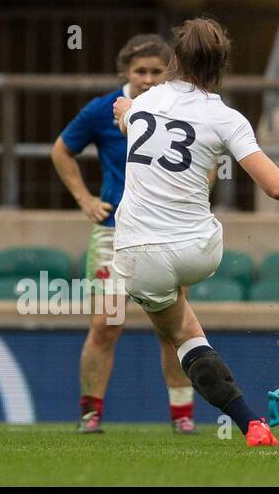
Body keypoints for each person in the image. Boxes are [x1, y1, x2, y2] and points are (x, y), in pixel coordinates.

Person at [112, 17, 279, 447]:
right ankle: (253, 423)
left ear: (174, 61)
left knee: (183, 337)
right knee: (190, 324)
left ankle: (250, 421)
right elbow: (277, 186)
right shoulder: (225, 117)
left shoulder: (143, 103)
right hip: (201, 249)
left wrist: (126, 113)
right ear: (222, 66)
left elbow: (133, 120)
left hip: (140, 252)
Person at [53, 34, 198, 434]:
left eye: (156, 71)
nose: (149, 79)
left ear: (169, 72)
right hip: (115, 232)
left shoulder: (179, 109)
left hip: (164, 231)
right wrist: (84, 199)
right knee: (106, 323)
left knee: (173, 327)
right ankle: (90, 413)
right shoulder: (103, 110)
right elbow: (62, 150)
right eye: (140, 72)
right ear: (125, 72)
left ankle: (182, 415)